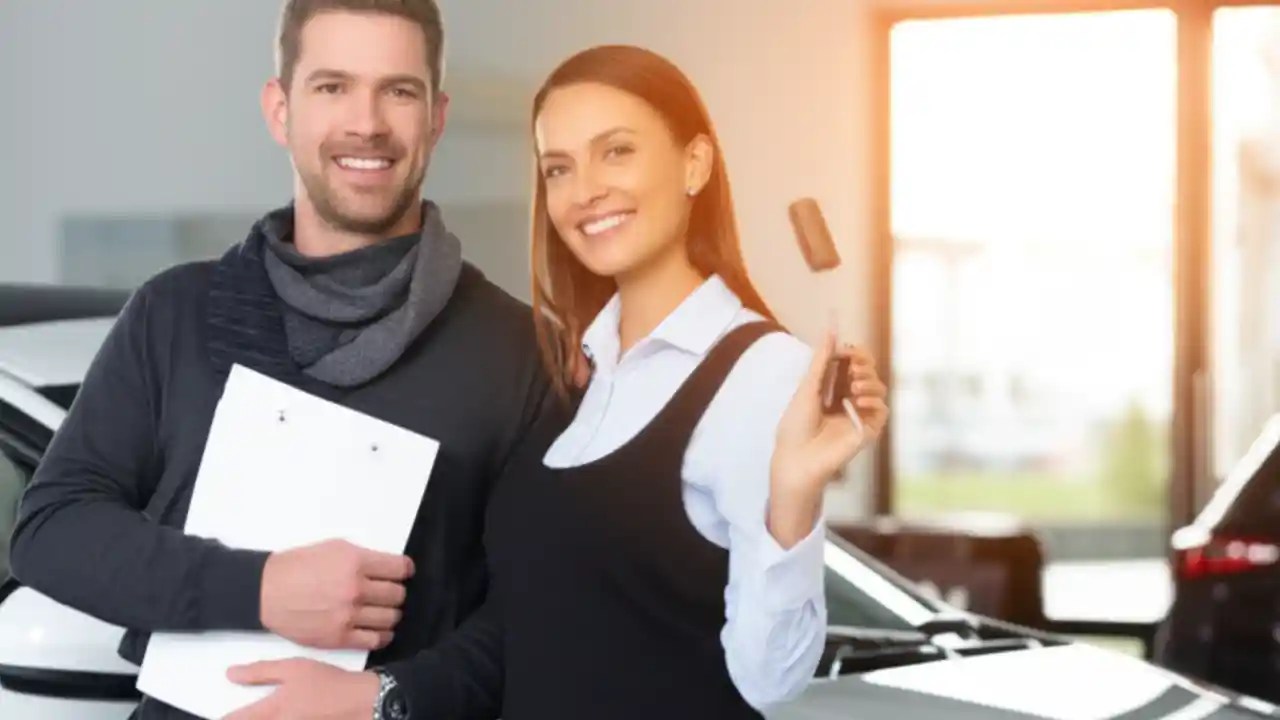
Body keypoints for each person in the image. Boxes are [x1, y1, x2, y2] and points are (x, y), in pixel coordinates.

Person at [225, 44, 889, 719]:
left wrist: (795, 496)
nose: (586, 189)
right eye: (559, 168)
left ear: (696, 163)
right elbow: (524, 625)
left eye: (617, 151)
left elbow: (770, 678)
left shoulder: (763, 374)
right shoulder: (573, 371)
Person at [7, 2, 561, 718]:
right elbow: (51, 531)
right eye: (332, 87)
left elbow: (549, 610)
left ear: (437, 116)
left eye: (399, 90)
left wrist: (380, 697)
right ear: (280, 110)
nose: (367, 122)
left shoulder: (520, 353)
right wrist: (263, 588)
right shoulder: (174, 314)